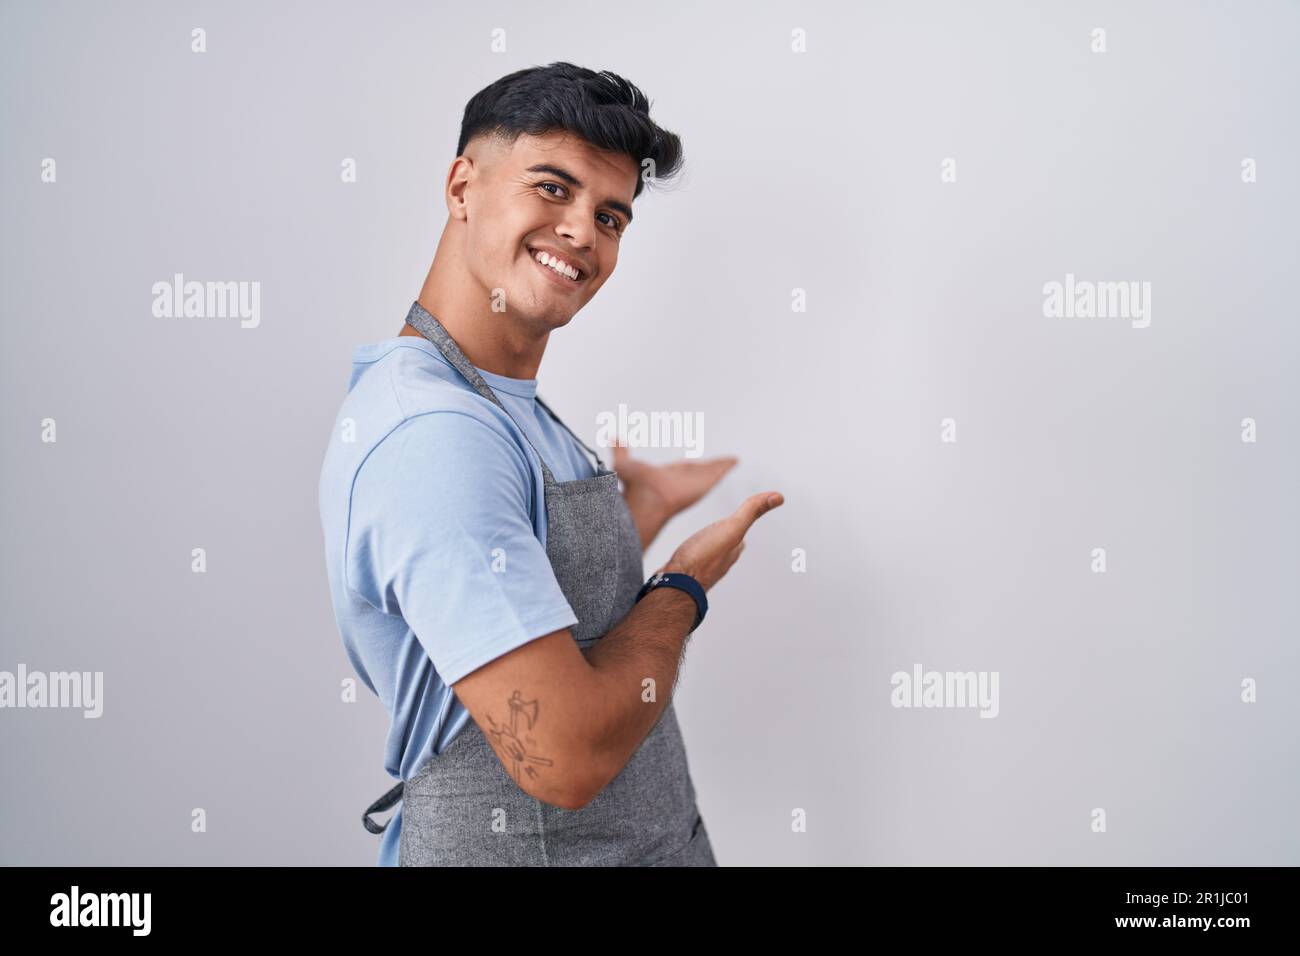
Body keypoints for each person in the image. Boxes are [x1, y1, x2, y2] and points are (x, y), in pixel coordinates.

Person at [317, 62, 784, 866]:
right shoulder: (434, 437)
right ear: (462, 187)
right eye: (553, 188)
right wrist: (684, 587)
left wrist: (641, 509)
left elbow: (524, 584)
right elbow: (562, 757)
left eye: (610, 216)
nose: (582, 233)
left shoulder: (507, 406)